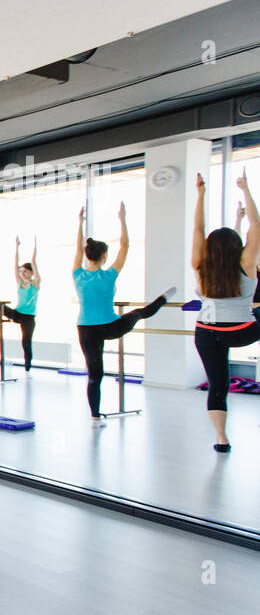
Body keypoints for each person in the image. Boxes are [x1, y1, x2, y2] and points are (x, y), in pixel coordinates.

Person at [73, 203, 175, 424]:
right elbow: (125, 246)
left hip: (86, 329)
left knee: (94, 375)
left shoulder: (77, 275)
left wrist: (80, 223)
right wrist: (122, 219)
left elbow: (77, 248)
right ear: (104, 256)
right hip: (111, 326)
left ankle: (95, 417)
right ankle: (163, 299)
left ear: (87, 255)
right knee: (138, 313)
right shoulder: (109, 275)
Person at [191, 170, 258, 452]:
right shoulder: (245, 262)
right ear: (237, 247)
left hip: (207, 332)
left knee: (219, 385)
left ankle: (221, 439)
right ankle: (220, 437)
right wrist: (245, 189)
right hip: (242, 332)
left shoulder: (200, 264)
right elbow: (257, 225)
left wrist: (201, 194)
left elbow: (197, 230)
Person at [0, 236, 41, 375]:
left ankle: (27, 365)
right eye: (21, 271)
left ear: (31, 273)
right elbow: (14, 264)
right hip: (17, 313)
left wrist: (35, 245)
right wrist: (17, 247)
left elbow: (34, 261)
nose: (22, 273)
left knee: (26, 341)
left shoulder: (35, 283)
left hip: (28, 317)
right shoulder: (19, 282)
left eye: (25, 271)